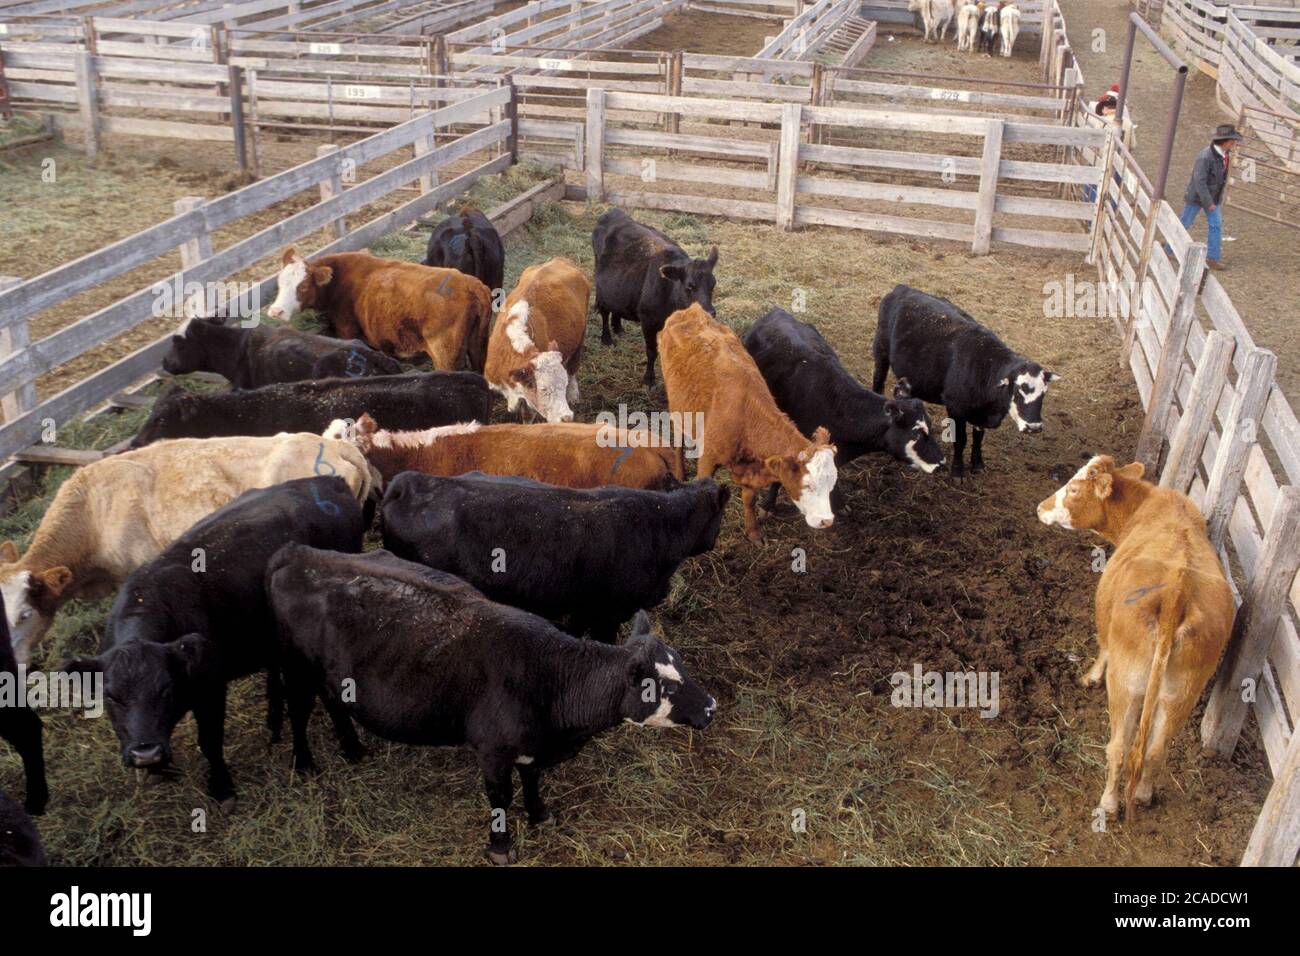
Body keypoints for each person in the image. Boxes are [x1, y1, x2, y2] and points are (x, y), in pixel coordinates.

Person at [1180, 123, 1244, 272]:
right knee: (1185, 223)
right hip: (1198, 197)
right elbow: (1199, 181)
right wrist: (1209, 202)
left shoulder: (1223, 155)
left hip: (1210, 198)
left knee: (1215, 225)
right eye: (1232, 141)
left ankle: (1213, 257)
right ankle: (1169, 249)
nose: (1234, 143)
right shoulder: (1205, 157)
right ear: (1225, 141)